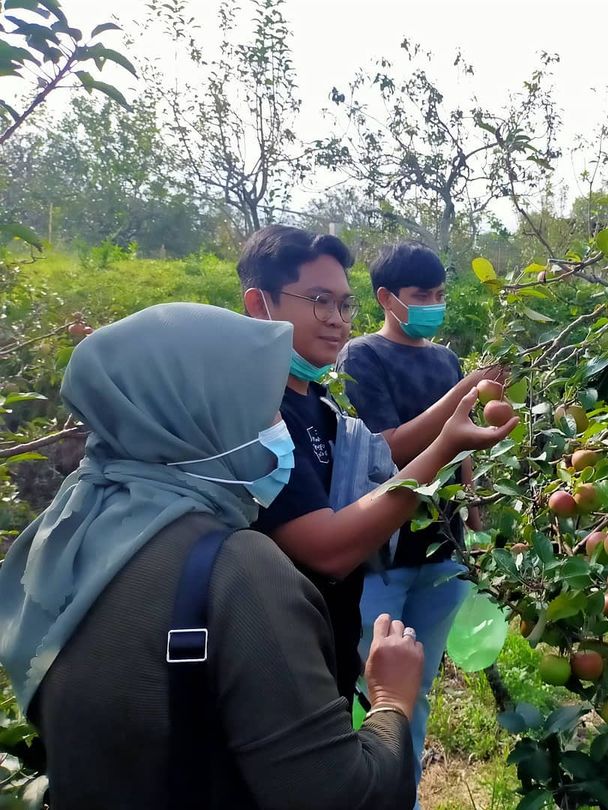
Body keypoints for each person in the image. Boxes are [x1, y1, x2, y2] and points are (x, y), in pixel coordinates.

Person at [0, 303, 422, 809]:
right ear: (201, 413)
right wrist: (391, 699)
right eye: (264, 410)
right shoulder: (238, 569)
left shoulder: (64, 534)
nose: (279, 429)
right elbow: (346, 796)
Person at [236, 226, 515, 705]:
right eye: (320, 300)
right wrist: (449, 430)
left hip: (409, 569)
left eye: (344, 305)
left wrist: (473, 517)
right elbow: (328, 547)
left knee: (403, 695)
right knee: (376, 701)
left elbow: (386, 464)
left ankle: (394, 778)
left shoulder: (320, 404)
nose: (337, 320)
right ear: (261, 304)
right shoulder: (258, 411)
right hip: (311, 622)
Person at [337, 242, 505, 797]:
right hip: (383, 553)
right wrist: (462, 393)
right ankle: (360, 793)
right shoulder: (362, 358)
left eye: (439, 294)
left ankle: (399, 797)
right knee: (370, 690)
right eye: (420, 295)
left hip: (441, 549)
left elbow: (461, 447)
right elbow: (385, 450)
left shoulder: (444, 360)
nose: (434, 304)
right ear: (387, 298)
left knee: (417, 688)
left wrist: (473, 502)